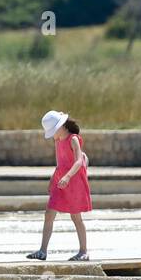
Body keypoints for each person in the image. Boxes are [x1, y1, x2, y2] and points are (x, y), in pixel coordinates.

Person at [26, 111, 93, 261]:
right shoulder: (57, 141)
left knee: (76, 217)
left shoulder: (73, 139)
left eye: (53, 132)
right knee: (49, 213)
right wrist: (53, 179)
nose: (53, 136)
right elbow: (60, 163)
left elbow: (79, 161)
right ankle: (42, 251)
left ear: (61, 127)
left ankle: (83, 252)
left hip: (73, 181)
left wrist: (68, 176)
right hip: (60, 181)